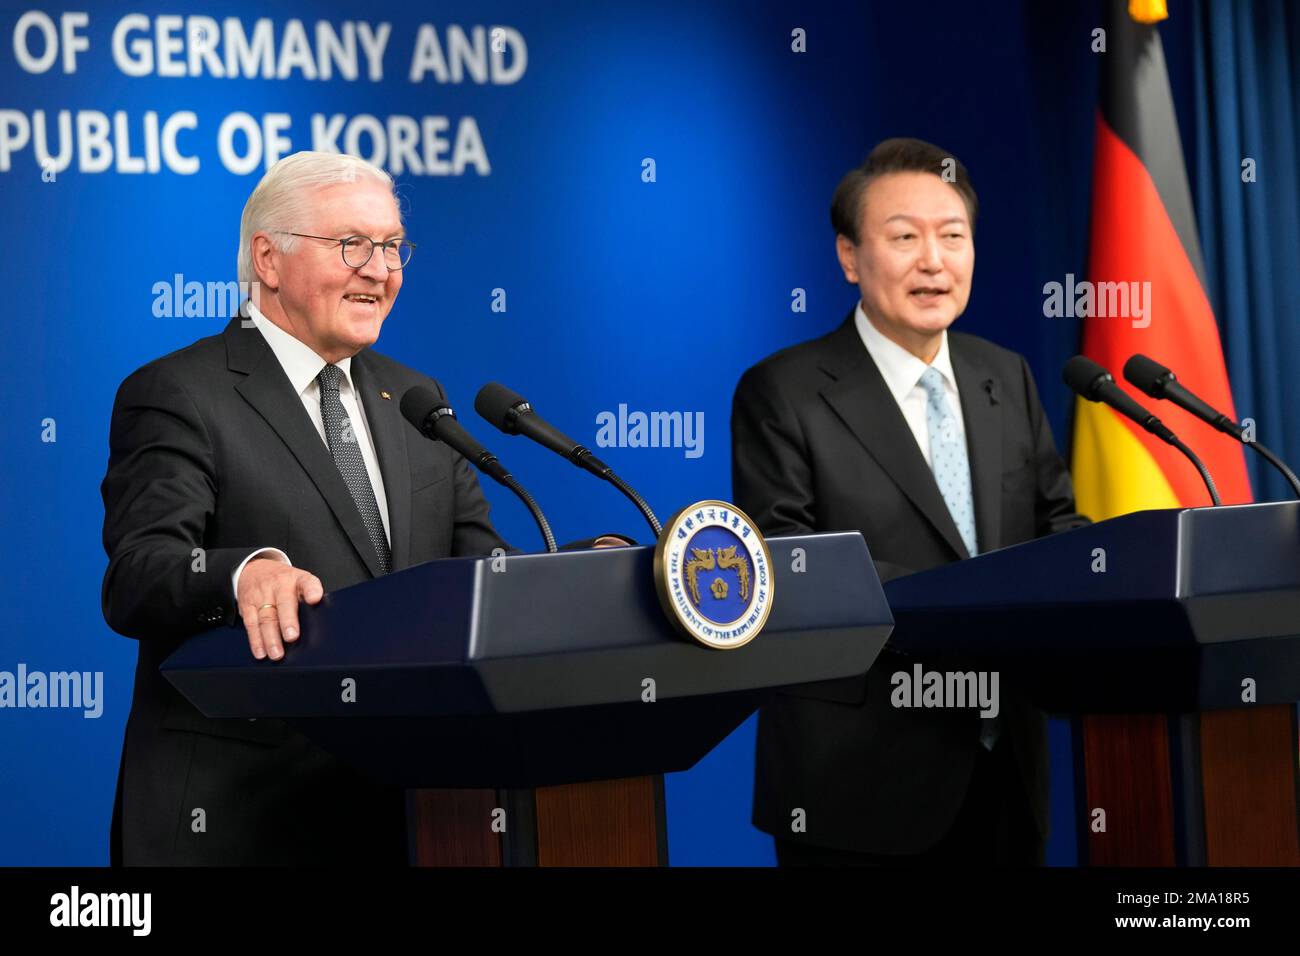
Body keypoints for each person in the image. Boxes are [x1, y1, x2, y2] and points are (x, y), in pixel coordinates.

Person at [101, 150, 622, 865]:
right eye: (352, 244)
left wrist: (582, 576)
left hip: (408, 814)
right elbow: (137, 574)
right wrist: (241, 574)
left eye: (391, 247)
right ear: (269, 259)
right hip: (237, 817)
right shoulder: (181, 393)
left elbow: (480, 575)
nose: (380, 269)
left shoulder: (417, 400)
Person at [731, 137, 1088, 866]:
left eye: (953, 237)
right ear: (850, 258)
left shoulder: (1004, 375)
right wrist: (977, 600)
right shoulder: (784, 392)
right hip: (859, 782)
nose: (934, 260)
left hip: (1004, 766)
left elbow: (1058, 529)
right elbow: (789, 567)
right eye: (904, 238)